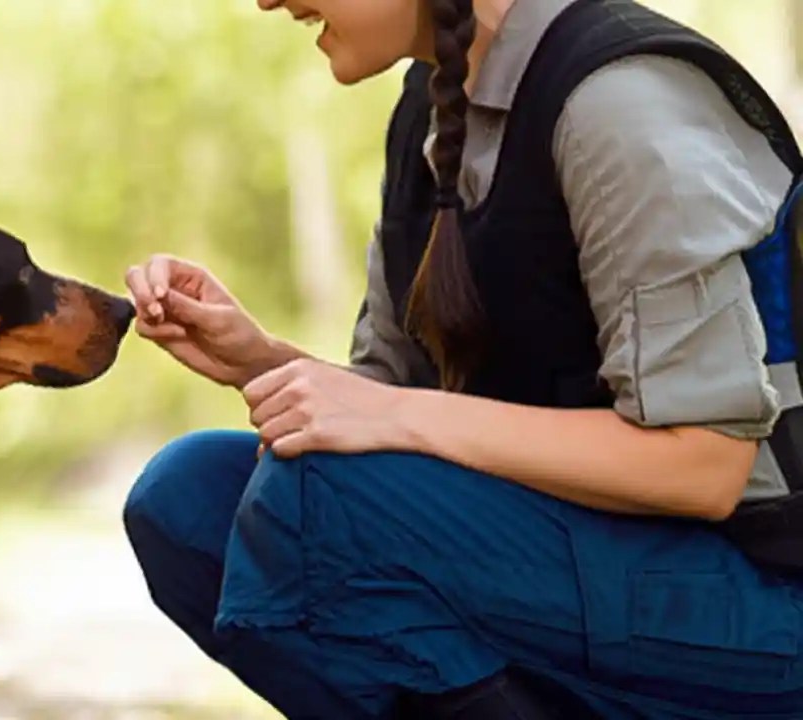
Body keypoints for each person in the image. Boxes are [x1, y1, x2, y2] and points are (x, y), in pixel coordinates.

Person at [120, 0, 803, 717]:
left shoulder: (617, 100)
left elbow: (704, 464)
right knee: (187, 499)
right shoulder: (429, 110)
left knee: (315, 500)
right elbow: (398, 411)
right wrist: (259, 361)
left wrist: (394, 414)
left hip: (751, 592)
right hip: (582, 556)